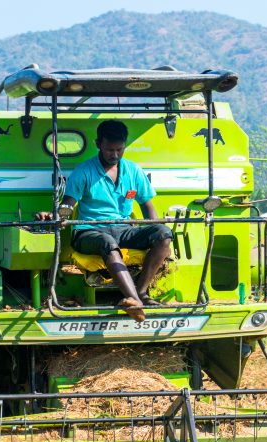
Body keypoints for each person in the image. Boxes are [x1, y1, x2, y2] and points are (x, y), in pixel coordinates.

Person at [44, 120, 173, 322]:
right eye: (109, 150)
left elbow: (147, 205)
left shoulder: (133, 171)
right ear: (98, 144)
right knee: (108, 243)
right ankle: (133, 299)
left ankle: (140, 293)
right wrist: (57, 216)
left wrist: (155, 228)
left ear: (124, 146)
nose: (114, 155)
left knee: (164, 234)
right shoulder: (83, 172)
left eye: (119, 150)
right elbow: (68, 204)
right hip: (89, 232)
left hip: (123, 228)